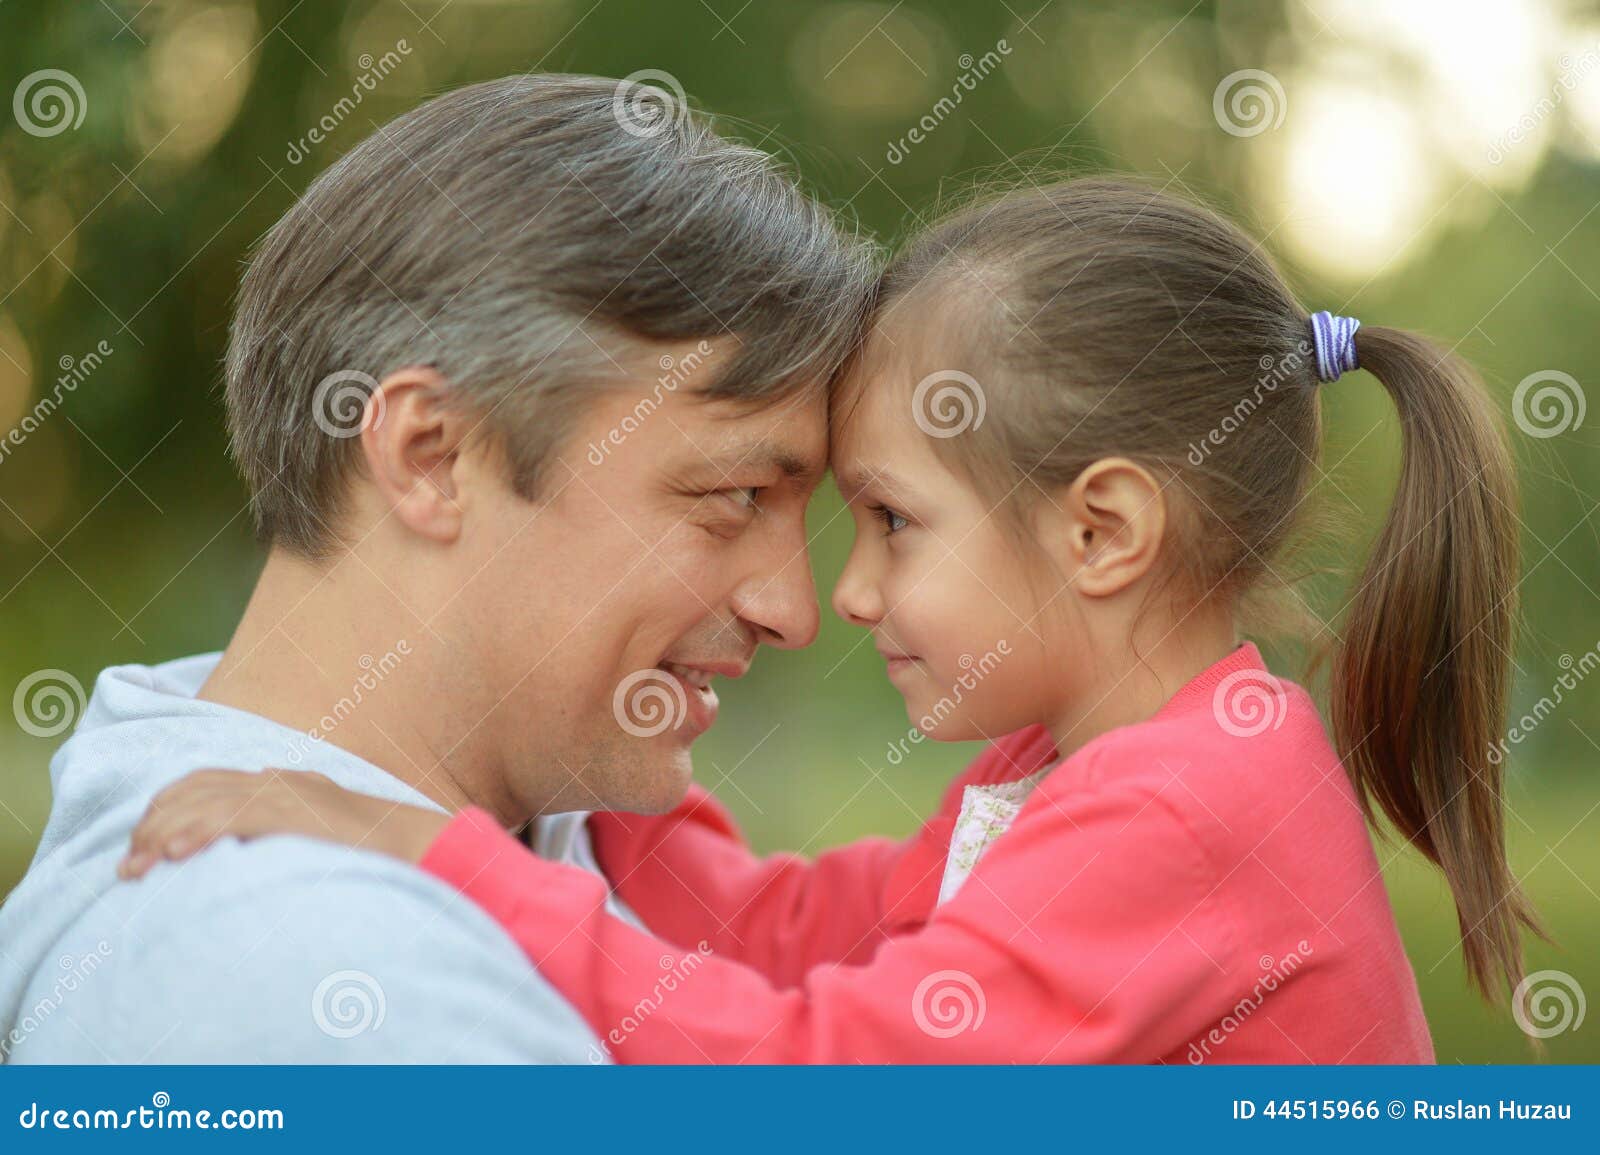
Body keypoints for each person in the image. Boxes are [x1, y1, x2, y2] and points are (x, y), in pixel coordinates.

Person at [125, 178, 1542, 1064]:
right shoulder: (1085, 763)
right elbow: (805, 930)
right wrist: (581, 736)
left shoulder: (1190, 808)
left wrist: (429, 847)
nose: (840, 596)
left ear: (1101, 529)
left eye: (892, 521)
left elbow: (817, 1067)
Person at [0, 73, 876, 1063]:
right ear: (433, 456)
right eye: (734, 498)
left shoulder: (576, 850)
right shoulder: (319, 981)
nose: (796, 610)